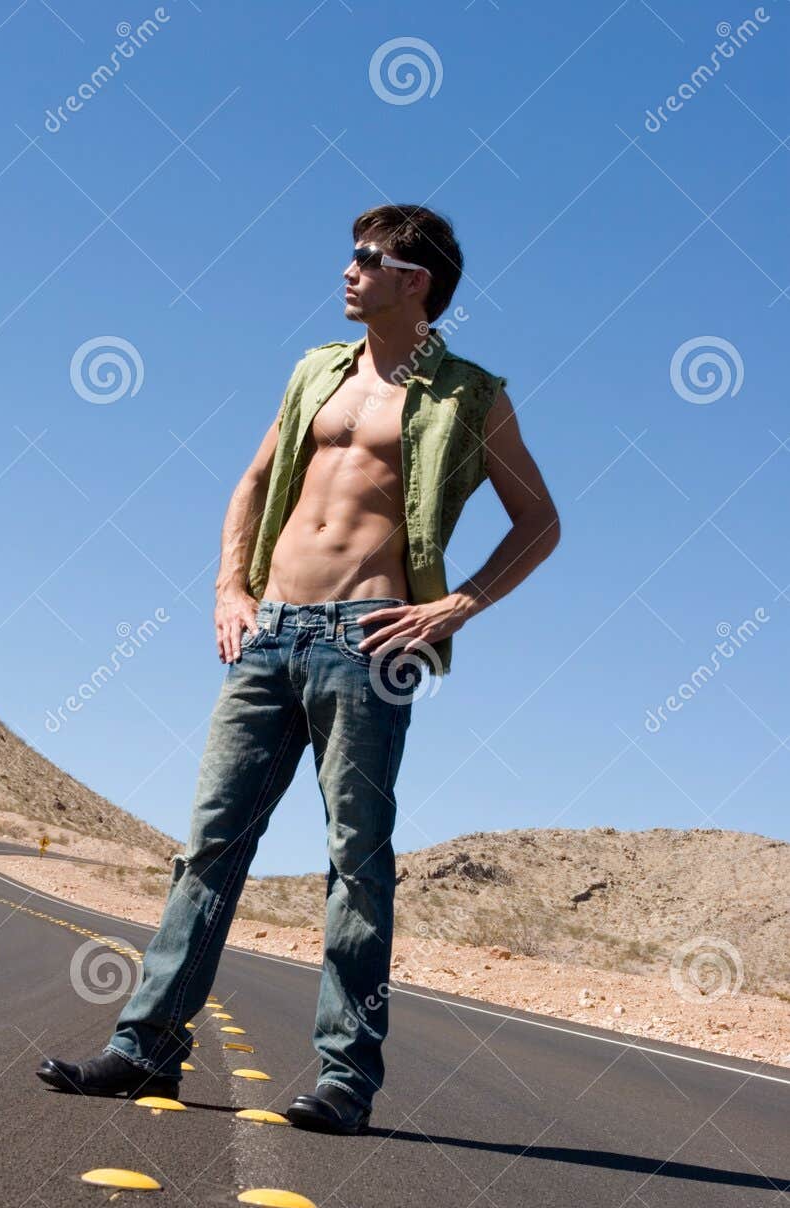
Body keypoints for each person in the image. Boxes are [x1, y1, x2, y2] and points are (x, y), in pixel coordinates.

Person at [37, 203, 560, 1134]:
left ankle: (344, 1080)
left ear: (416, 282)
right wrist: (228, 589)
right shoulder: (314, 370)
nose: (347, 271)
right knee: (209, 846)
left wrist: (456, 603)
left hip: (369, 642)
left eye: (367, 259)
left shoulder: (469, 395)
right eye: (350, 257)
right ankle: (148, 1046)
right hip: (270, 630)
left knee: (354, 861)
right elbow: (250, 483)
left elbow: (540, 521)